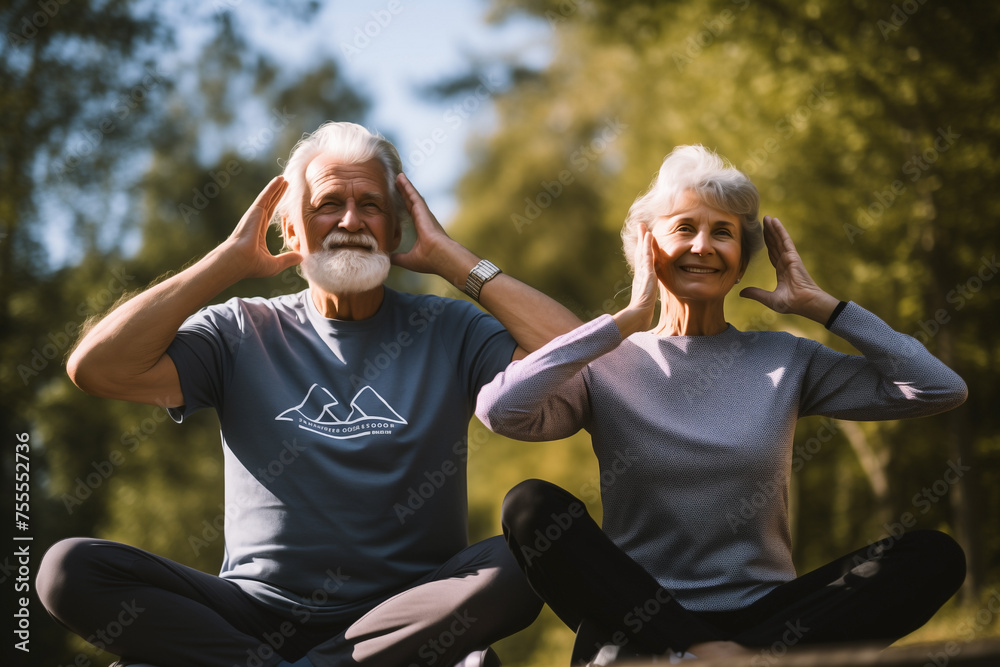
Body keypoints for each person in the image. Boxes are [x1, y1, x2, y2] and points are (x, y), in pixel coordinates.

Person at [37, 121, 583, 667]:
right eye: (328, 204)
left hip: (406, 615)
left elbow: (585, 360)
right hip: (251, 613)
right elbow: (99, 368)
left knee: (531, 552)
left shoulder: (449, 327)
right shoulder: (238, 330)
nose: (351, 220)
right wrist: (226, 261)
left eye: (371, 205)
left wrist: (453, 261)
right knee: (70, 570)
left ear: (396, 232)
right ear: (292, 233)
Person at [474, 145, 969, 665]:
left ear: (738, 265)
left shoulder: (786, 359)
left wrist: (823, 306)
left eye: (723, 232)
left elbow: (938, 388)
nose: (703, 246)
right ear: (648, 249)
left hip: (769, 617)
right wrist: (625, 319)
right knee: (529, 504)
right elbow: (500, 410)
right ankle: (706, 653)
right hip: (641, 616)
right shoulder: (606, 362)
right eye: (684, 228)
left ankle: (729, 657)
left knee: (933, 556)